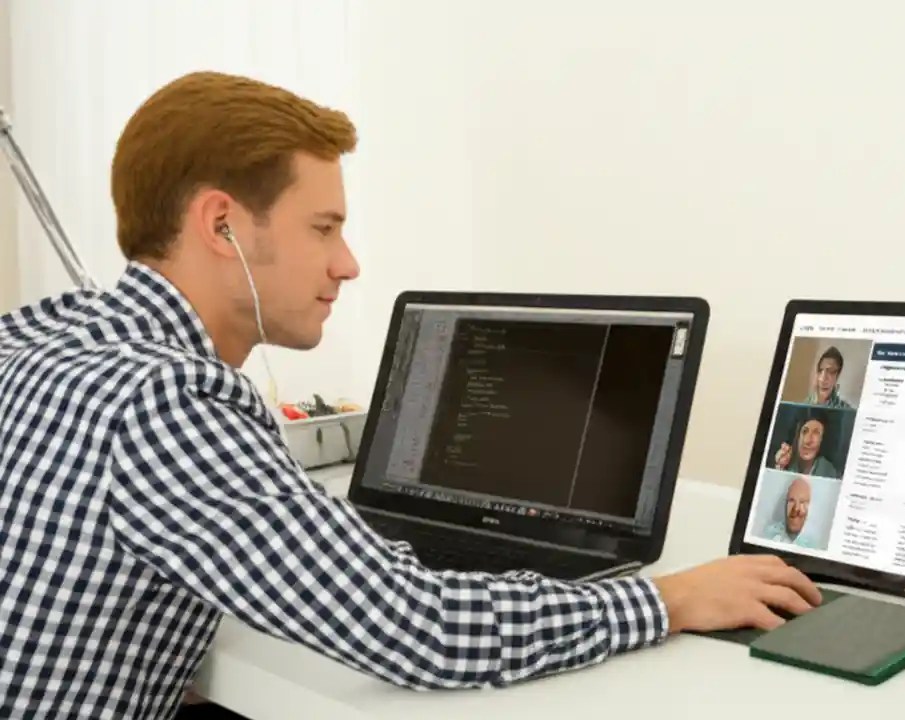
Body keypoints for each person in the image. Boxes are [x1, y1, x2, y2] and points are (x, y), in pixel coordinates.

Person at [0, 71, 822, 720]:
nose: (348, 263)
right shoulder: (165, 404)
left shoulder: (37, 335)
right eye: (323, 227)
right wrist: (665, 599)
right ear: (223, 227)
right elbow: (417, 628)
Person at [772, 409, 842, 479]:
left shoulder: (829, 471)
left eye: (816, 433)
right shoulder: (786, 461)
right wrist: (779, 468)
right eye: (804, 431)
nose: (807, 440)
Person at [760, 476, 820, 548]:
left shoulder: (814, 546)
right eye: (791, 500)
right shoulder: (768, 534)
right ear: (785, 504)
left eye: (802, 502)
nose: (796, 508)